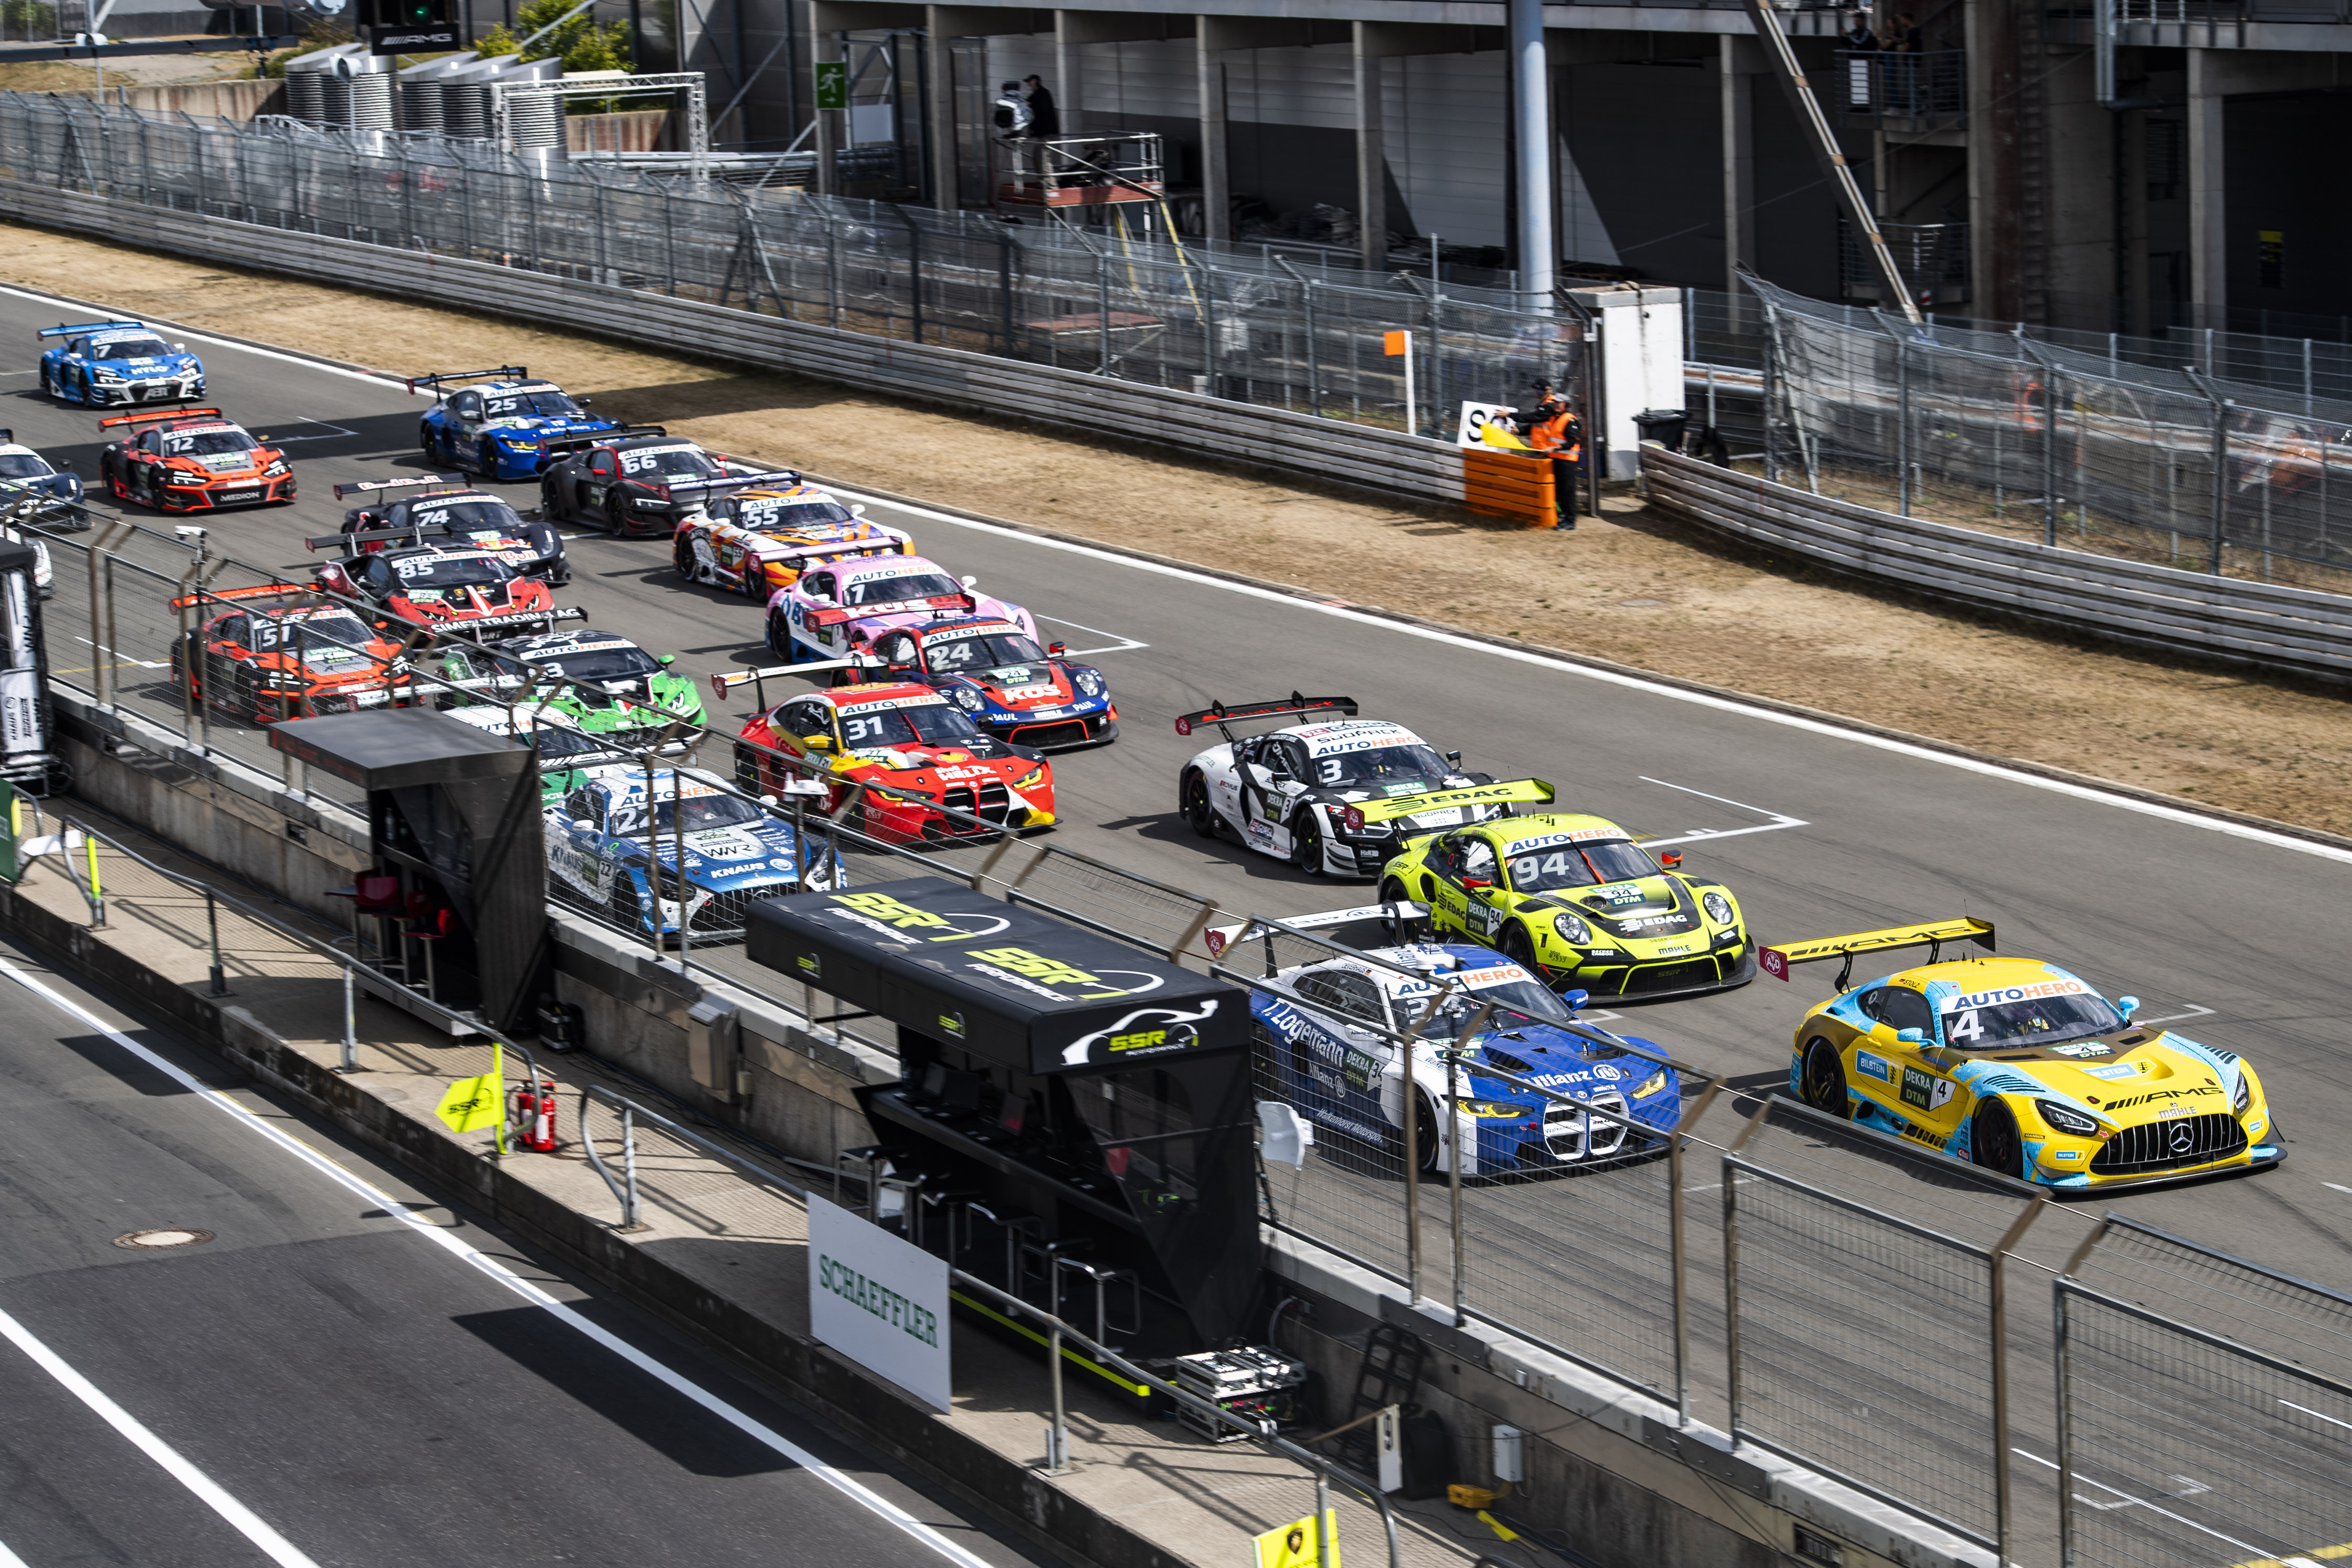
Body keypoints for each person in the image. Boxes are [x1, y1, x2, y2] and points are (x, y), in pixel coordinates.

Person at [1514, 381, 1583, 528]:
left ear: (1567, 405)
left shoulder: (1570, 420)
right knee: (1559, 491)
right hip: (1557, 459)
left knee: (1567, 491)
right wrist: (1519, 431)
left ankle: (1570, 521)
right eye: (1556, 402)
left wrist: (1555, 448)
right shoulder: (1553, 418)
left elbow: (1571, 442)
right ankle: (1563, 518)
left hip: (1567, 461)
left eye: (1560, 403)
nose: (1557, 405)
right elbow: (1536, 427)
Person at [1022, 74, 1059, 139]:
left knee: (1043, 146)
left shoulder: (1043, 94)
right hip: (1042, 130)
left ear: (1035, 82)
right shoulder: (1037, 94)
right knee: (1042, 147)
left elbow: (1043, 108)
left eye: (1030, 81)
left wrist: (1031, 105)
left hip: (1044, 130)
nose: (1028, 84)